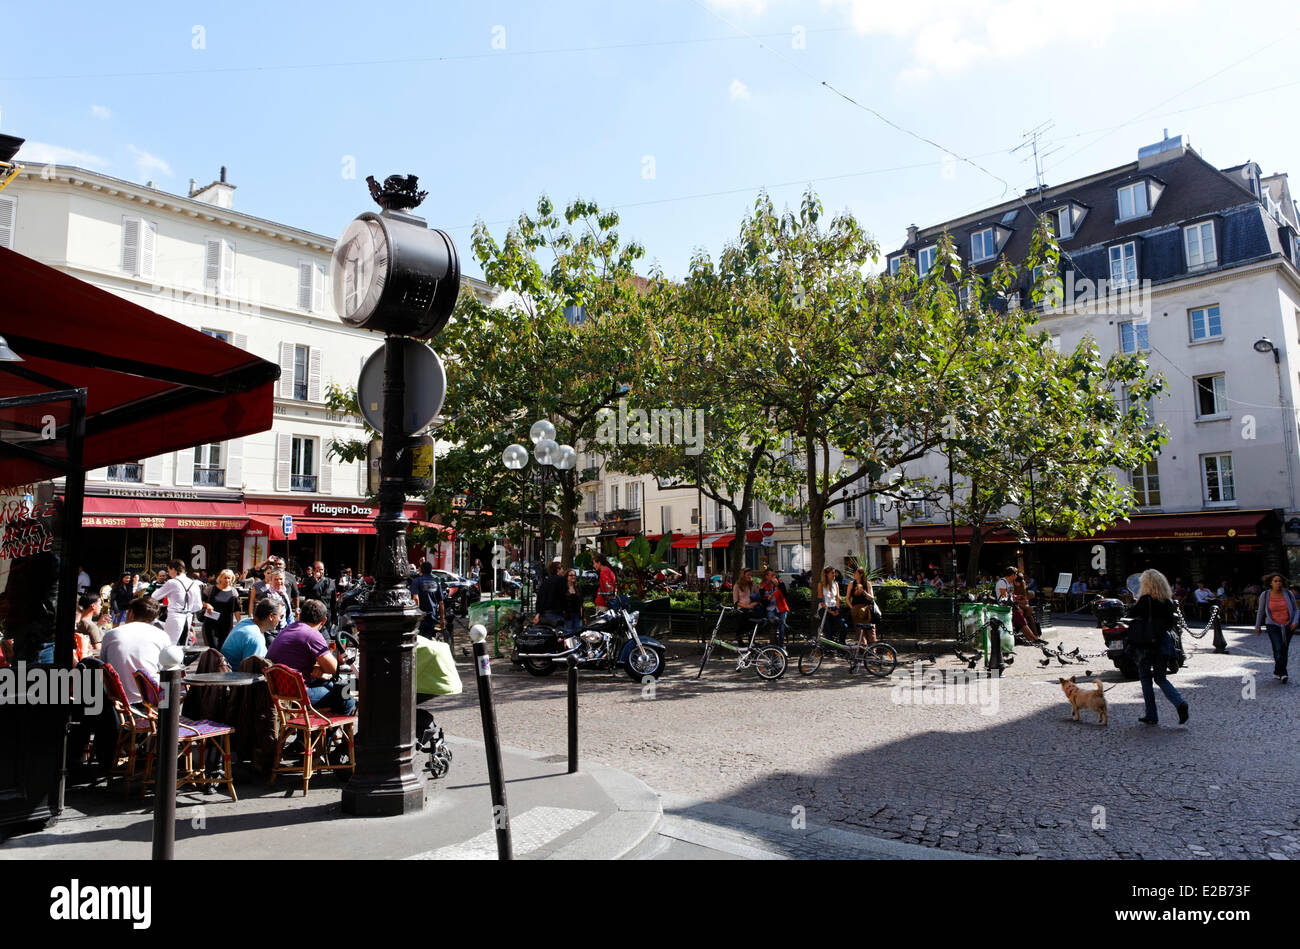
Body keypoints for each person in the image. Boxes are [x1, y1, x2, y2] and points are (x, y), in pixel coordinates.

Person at [266, 599, 355, 715]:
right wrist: (323, 666)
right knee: (347, 696)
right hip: (296, 696)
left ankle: (316, 731)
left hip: (277, 692)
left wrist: (317, 667)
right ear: (323, 621)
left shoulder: (288, 629)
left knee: (331, 685)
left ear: (301, 615)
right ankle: (330, 732)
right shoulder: (312, 634)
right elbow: (333, 669)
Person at [1127, 569, 1189, 726]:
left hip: (1145, 645)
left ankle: (1151, 714)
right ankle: (1180, 702)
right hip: (1162, 643)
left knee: (1146, 678)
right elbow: (1169, 624)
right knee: (1161, 678)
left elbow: (1131, 614)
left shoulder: (1145, 600)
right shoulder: (1167, 601)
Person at [100, 597, 172, 708]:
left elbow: (104, 665)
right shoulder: (162, 635)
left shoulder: (111, 634)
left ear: (131, 613)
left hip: (117, 700)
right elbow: (166, 669)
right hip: (153, 700)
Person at [151, 559, 206, 646]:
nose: (168, 573)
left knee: (169, 645)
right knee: (183, 645)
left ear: (173, 569)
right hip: (188, 617)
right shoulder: (194, 583)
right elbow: (198, 606)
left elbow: (154, 596)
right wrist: (188, 609)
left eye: (169, 571)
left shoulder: (172, 582)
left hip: (175, 617)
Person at [1254, 572, 1296, 683]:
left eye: (1280, 581)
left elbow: (1296, 610)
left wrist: (1295, 621)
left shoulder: (1288, 594)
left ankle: (1278, 671)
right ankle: (1283, 673)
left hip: (1288, 625)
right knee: (1278, 647)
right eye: (1275, 581)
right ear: (1271, 583)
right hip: (1273, 625)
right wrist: (1257, 626)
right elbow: (1261, 611)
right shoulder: (1265, 595)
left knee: (1284, 649)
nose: (1278, 583)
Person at [221, 596, 280, 668]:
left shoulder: (246, 622)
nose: (280, 620)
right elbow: (253, 670)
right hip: (237, 676)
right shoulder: (255, 637)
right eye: (281, 616)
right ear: (271, 616)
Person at [201, 568, 241, 650]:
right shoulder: (211, 589)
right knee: (213, 648)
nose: (227, 580)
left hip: (226, 625)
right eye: (225, 577)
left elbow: (237, 609)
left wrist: (239, 623)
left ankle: (219, 663)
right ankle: (212, 662)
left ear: (232, 579)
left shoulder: (234, 592)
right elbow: (200, 601)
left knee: (223, 648)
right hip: (211, 623)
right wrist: (207, 605)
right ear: (220, 578)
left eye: (229, 578)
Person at [251, 568, 294, 633]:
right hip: (270, 632)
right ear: (271, 581)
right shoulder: (266, 595)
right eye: (276, 579)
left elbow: (289, 614)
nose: (279, 581)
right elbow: (260, 617)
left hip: (284, 630)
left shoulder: (284, 594)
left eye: (281, 579)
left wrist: (291, 629)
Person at [410, 561, 446, 639]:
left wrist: (418, 614)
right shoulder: (436, 582)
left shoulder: (416, 581)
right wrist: (442, 619)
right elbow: (441, 603)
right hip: (432, 617)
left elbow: (416, 598)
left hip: (421, 618)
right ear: (431, 570)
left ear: (420, 570)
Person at [816, 565, 848, 645]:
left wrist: (837, 609)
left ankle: (842, 645)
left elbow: (837, 598)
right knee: (828, 629)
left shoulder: (836, 584)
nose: (835, 574)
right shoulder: (821, 584)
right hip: (824, 609)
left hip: (834, 608)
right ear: (827, 574)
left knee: (843, 626)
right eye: (832, 573)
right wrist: (830, 611)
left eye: (835, 573)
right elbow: (821, 601)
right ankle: (830, 649)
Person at [758, 568, 789, 647]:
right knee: (773, 623)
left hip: (781, 608)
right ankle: (774, 646)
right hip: (770, 609)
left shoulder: (780, 582)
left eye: (774, 575)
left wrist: (778, 585)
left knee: (782, 625)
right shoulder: (762, 587)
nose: (774, 577)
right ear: (766, 576)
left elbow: (786, 595)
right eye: (771, 575)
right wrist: (768, 600)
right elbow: (762, 602)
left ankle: (781, 646)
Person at [300, 561, 336, 629]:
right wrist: (314, 581)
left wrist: (334, 618)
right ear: (313, 570)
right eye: (317, 569)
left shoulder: (330, 582)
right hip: (312, 616)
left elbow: (333, 601)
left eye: (321, 569)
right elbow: (303, 593)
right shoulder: (307, 581)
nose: (319, 571)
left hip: (326, 615)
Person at [847, 568, 877, 648]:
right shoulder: (851, 584)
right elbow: (847, 598)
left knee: (870, 628)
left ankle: (873, 648)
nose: (854, 574)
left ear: (861, 575)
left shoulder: (867, 584)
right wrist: (852, 608)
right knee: (859, 629)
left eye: (856, 573)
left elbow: (872, 598)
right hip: (856, 609)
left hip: (866, 608)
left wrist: (864, 592)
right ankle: (863, 648)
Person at [75, 594, 102, 658]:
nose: (101, 607)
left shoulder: (81, 622)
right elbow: (98, 651)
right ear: (93, 606)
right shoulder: (90, 626)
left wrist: (99, 625)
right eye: (100, 604)